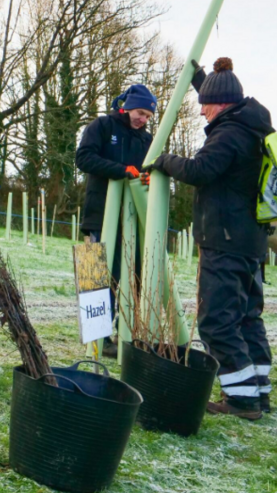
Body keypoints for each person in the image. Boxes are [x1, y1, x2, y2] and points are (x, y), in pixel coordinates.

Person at [146, 57, 274, 420]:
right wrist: (199, 78)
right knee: (248, 317)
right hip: (250, 242)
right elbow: (215, 96)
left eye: (206, 104)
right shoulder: (253, 126)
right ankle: (259, 392)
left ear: (223, 105)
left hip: (226, 240)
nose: (202, 112)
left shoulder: (229, 133)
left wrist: (164, 160)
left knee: (217, 321)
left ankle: (241, 400)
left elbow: (201, 170)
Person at [75, 84, 156, 357]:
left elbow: (150, 173)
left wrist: (147, 178)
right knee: (98, 275)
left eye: (147, 116)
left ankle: (126, 332)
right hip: (100, 214)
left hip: (134, 219)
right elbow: (83, 158)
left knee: (134, 277)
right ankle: (97, 337)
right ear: (127, 106)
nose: (142, 119)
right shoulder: (101, 126)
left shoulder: (147, 141)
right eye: (140, 112)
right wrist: (121, 171)